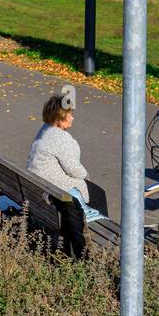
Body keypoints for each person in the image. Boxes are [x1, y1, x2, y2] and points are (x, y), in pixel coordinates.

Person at [26, 93, 103, 222]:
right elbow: (73, 169)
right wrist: (87, 177)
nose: (72, 118)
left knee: (90, 189)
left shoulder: (45, 129)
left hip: (36, 184)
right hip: (52, 188)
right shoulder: (60, 137)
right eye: (69, 115)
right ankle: (99, 232)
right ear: (58, 118)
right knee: (97, 193)